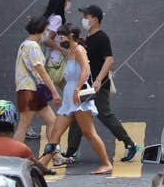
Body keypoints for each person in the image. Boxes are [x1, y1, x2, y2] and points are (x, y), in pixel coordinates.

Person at [63, 6, 137, 165]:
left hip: (98, 85)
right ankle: (71, 152)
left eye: (86, 16)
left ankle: (129, 143)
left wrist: (98, 80)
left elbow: (109, 60)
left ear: (95, 19)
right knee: (77, 115)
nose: (84, 19)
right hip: (85, 84)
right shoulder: (86, 38)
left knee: (104, 113)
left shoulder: (102, 37)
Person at [39, 27, 112, 175]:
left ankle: (106, 163)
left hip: (78, 100)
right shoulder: (70, 52)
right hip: (68, 100)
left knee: (89, 132)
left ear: (71, 36)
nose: (60, 40)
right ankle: (42, 165)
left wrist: (77, 89)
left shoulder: (79, 50)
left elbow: (86, 70)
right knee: (55, 134)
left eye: (62, 37)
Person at [15, 15, 60, 147]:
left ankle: (54, 154)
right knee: (23, 126)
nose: (47, 33)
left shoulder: (24, 45)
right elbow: (41, 71)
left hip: (30, 90)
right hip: (31, 90)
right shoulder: (33, 46)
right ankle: (12, 158)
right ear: (40, 29)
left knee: (52, 121)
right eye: (46, 30)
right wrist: (54, 91)